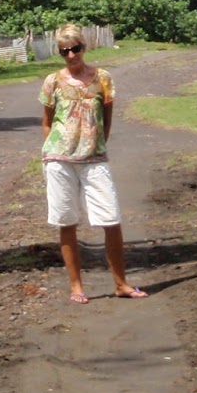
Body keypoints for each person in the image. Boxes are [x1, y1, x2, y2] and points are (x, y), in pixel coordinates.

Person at [38, 24, 147, 303]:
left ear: (84, 48)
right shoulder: (53, 81)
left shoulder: (103, 79)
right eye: (65, 51)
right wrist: (52, 152)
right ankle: (76, 286)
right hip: (59, 160)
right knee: (67, 220)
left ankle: (121, 283)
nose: (71, 55)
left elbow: (107, 117)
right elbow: (48, 122)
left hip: (94, 158)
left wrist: (96, 145)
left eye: (75, 49)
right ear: (60, 53)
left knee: (111, 219)